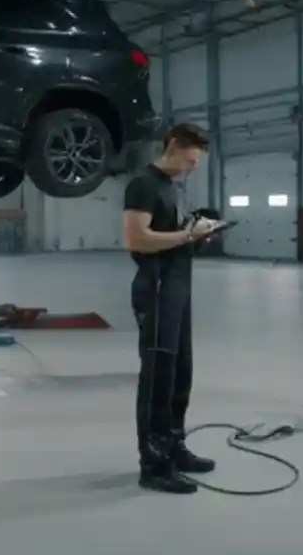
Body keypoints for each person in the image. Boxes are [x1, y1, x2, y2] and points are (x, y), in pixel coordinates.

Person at [121, 122, 218, 494]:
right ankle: (154, 465)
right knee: (157, 380)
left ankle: (174, 447)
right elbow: (137, 238)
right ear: (174, 146)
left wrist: (199, 236)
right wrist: (187, 235)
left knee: (180, 374)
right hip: (157, 290)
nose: (193, 167)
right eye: (191, 160)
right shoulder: (143, 185)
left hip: (178, 290)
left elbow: (176, 240)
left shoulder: (174, 189)